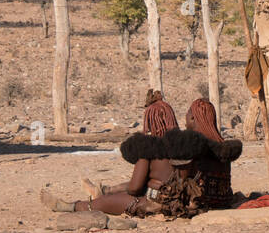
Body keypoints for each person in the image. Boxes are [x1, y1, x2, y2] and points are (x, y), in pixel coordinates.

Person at [39, 91, 178, 217]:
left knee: (105, 202)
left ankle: (71, 206)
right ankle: (104, 190)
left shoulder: (149, 148)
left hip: (155, 204)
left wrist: (125, 193)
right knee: (138, 185)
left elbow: (135, 188)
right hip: (179, 203)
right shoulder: (186, 145)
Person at [184, 98, 235, 210]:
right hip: (223, 202)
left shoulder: (195, 144)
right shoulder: (222, 144)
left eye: (187, 114)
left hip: (201, 202)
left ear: (192, 118)